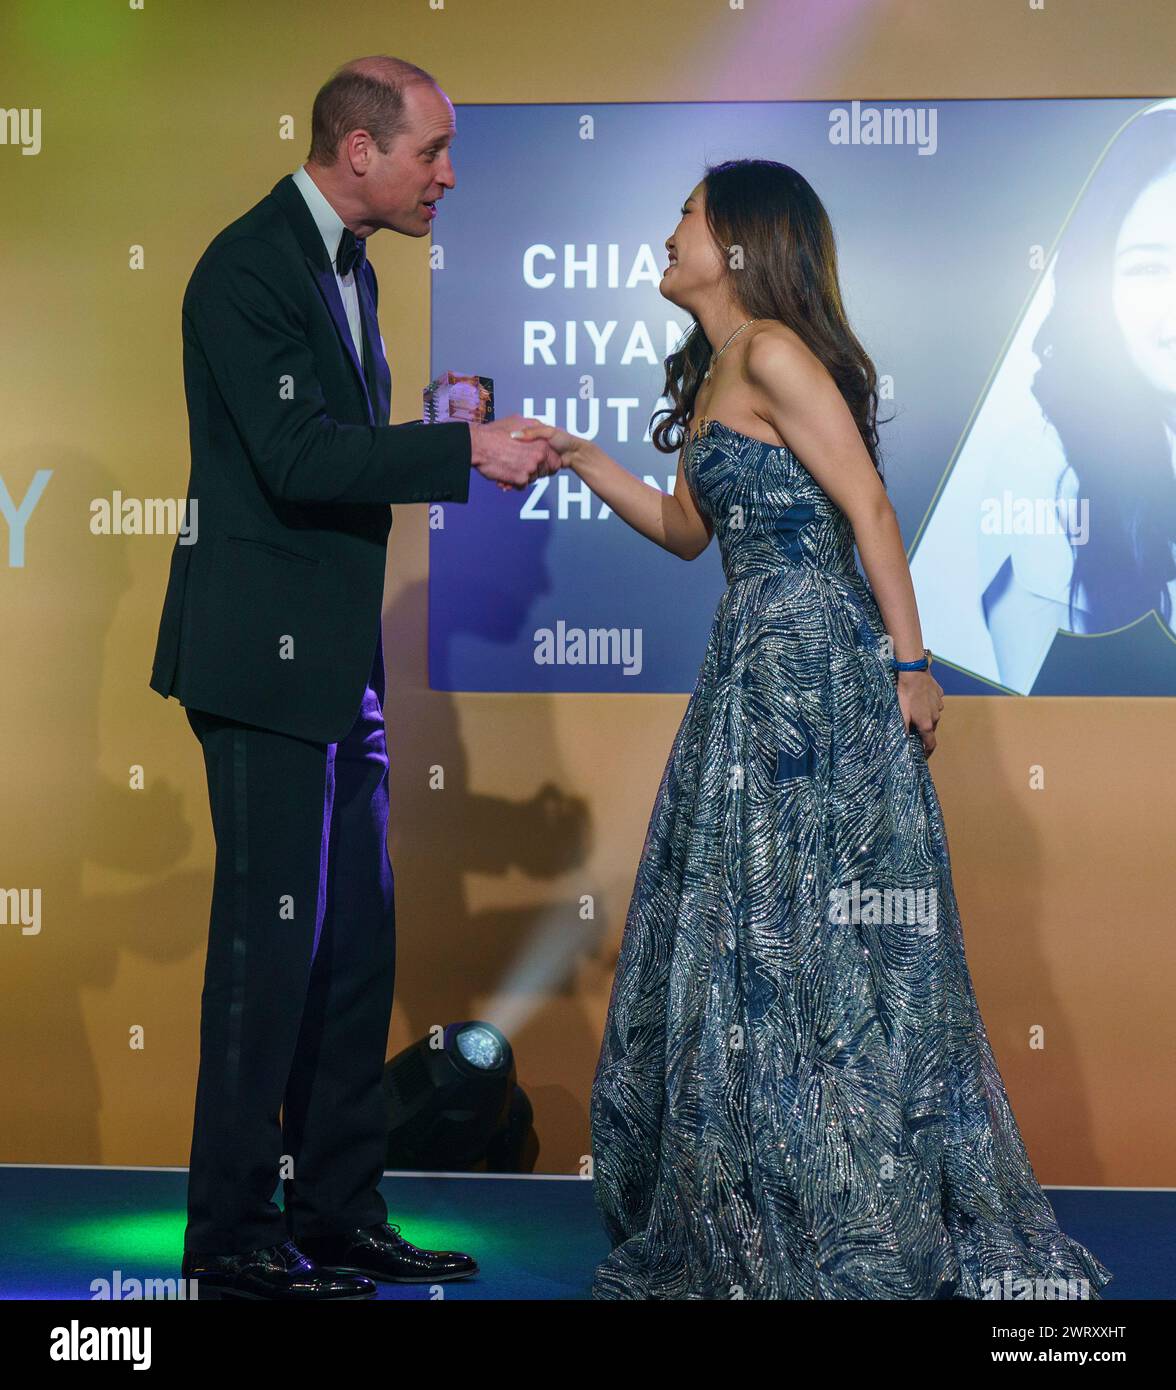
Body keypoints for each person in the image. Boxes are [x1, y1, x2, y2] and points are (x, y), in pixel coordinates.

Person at [517, 159, 1114, 1300]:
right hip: (745, 679)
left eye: (687, 216)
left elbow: (869, 507)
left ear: (738, 242)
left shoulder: (779, 354)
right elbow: (690, 531)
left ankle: (855, 1213)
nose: (669, 231)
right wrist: (582, 457)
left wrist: (910, 661)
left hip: (824, 679)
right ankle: (760, 1198)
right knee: (747, 948)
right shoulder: (718, 370)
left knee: (830, 954)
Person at [149, 55, 561, 1300]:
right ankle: (230, 1240)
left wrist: (431, 419)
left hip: (338, 673)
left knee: (351, 958)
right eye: (432, 151)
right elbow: (289, 454)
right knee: (269, 959)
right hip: (261, 672)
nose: (449, 175)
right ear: (357, 149)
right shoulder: (246, 264)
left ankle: (336, 1213)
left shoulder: (351, 266)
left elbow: (329, 437)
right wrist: (458, 446)